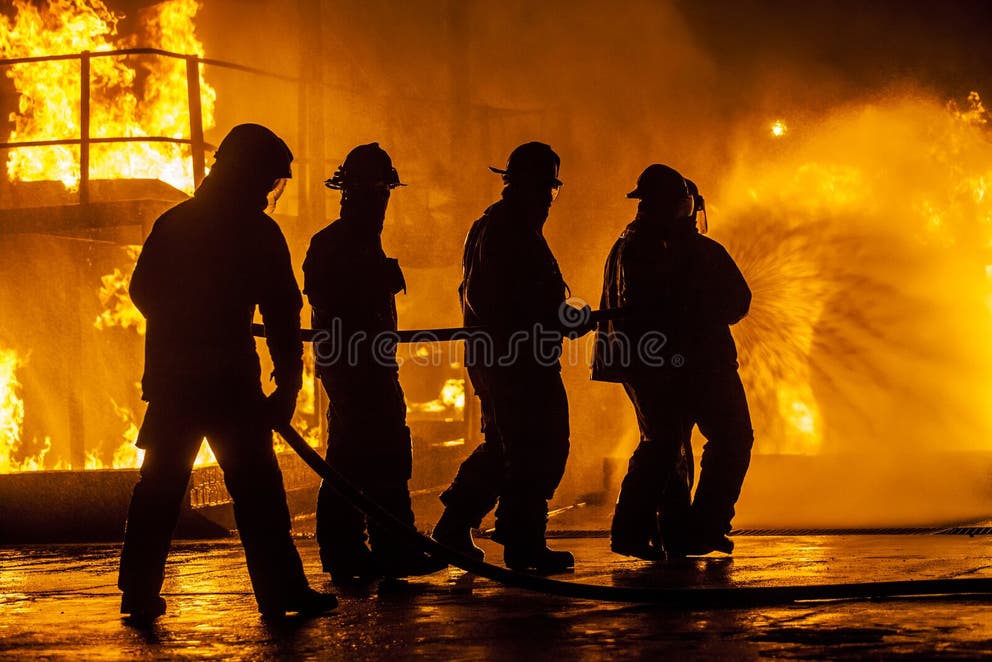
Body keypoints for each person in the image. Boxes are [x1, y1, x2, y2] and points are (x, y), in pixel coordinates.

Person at [118, 123, 337, 622]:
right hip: (230, 384)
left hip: (175, 382)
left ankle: (137, 592)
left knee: (159, 489)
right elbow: (283, 311)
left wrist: (182, 324)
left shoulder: (175, 223)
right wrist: (287, 381)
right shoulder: (257, 232)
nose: (268, 191)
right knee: (258, 491)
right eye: (266, 179)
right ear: (248, 173)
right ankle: (281, 592)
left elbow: (142, 292)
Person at [432, 142, 583, 573]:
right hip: (517, 361)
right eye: (546, 188)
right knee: (540, 443)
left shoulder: (503, 226)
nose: (548, 199)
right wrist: (551, 321)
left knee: (505, 446)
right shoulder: (507, 229)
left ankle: (454, 526)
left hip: (505, 357)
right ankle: (522, 541)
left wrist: (558, 316)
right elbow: (495, 300)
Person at [592, 165, 753, 560]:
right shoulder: (674, 247)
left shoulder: (630, 244)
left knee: (666, 446)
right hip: (694, 364)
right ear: (682, 204)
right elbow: (735, 302)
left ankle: (675, 532)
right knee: (723, 439)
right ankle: (697, 527)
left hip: (652, 364)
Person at [303, 143, 445, 584]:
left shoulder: (361, 242)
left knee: (352, 457)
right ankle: (387, 549)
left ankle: (353, 552)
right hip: (356, 369)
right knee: (381, 455)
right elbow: (337, 306)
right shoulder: (333, 244)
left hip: (365, 366)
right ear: (352, 193)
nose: (382, 201)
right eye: (376, 191)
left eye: (384, 192)